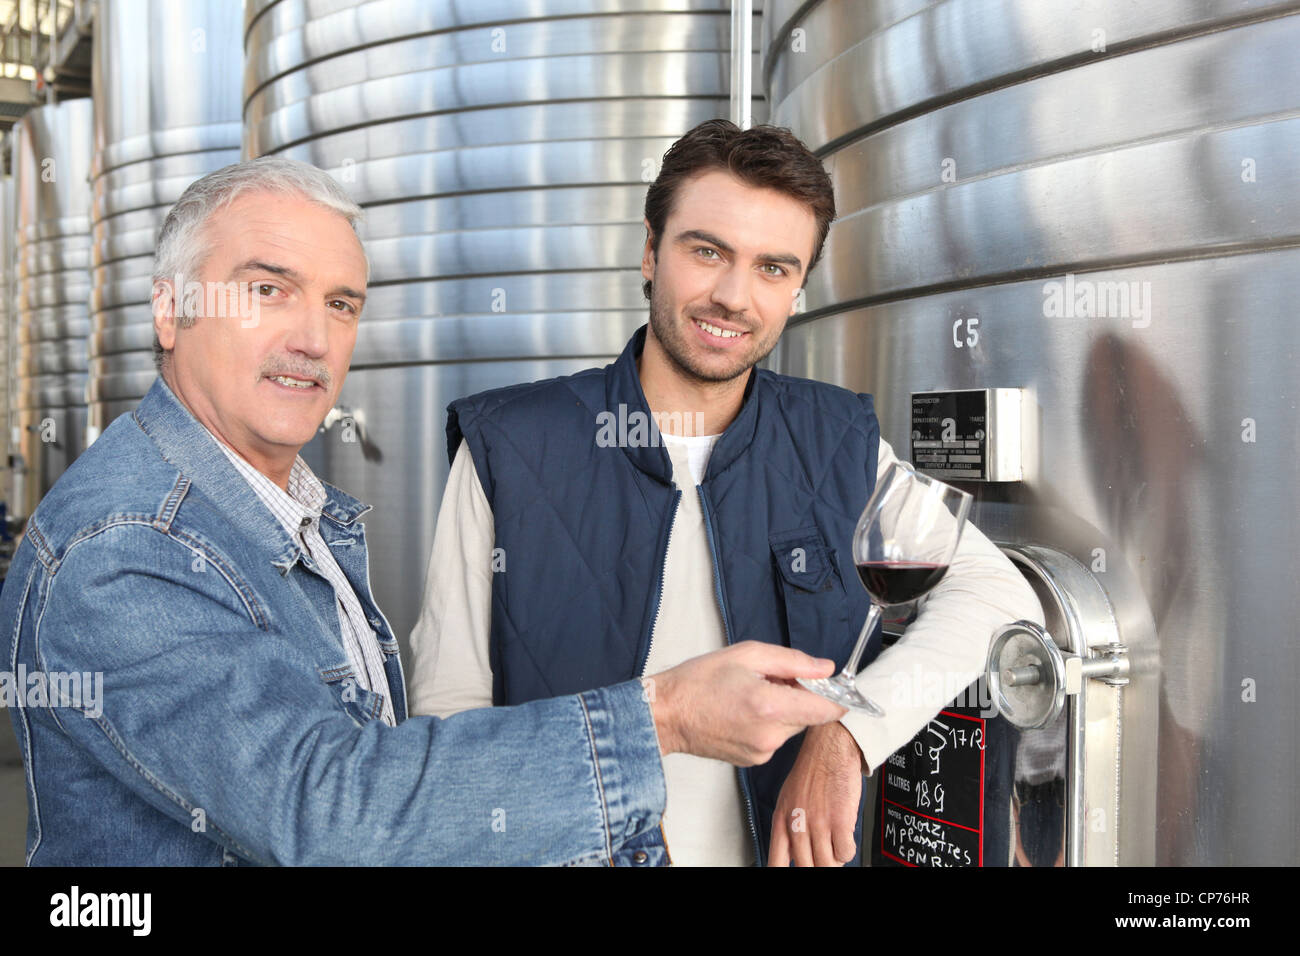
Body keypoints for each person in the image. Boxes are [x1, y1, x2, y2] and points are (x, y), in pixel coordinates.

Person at [0, 157, 849, 867]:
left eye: (341, 303)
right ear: (169, 309)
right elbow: (330, 810)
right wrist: (661, 717)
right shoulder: (130, 547)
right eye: (268, 289)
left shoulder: (285, 512)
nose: (313, 338)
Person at [408, 120, 1044, 866]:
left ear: (799, 288)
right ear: (650, 251)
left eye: (774, 268)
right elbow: (446, 731)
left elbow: (998, 594)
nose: (733, 297)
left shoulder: (834, 439)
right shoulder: (509, 444)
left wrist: (847, 737)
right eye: (707, 252)